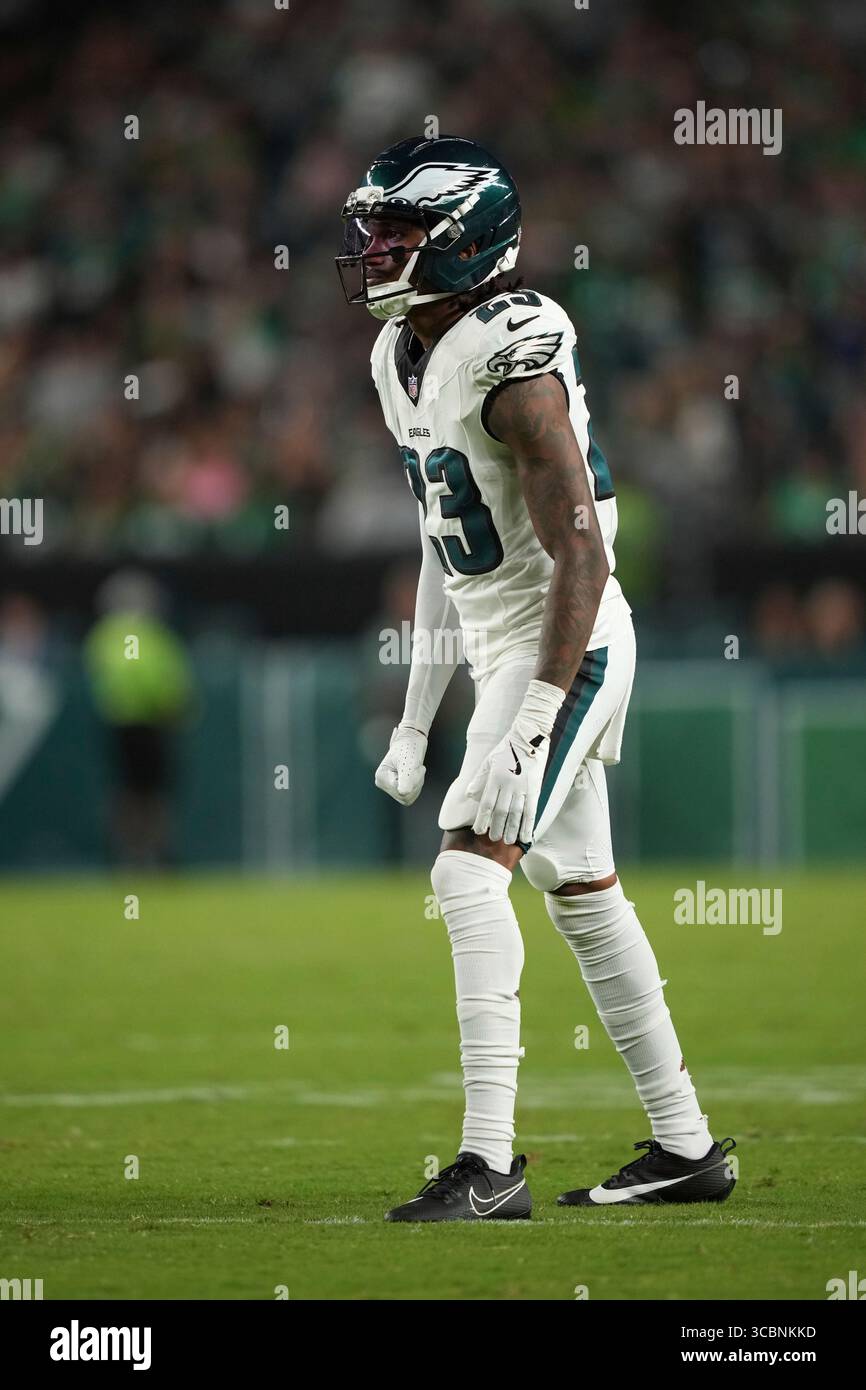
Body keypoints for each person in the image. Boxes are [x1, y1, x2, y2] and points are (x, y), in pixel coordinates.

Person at [337, 135, 735, 1220]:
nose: (374, 249)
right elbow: (438, 540)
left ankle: (488, 1164)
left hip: (572, 641)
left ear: (463, 239)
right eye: (370, 230)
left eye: (398, 231)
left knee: (466, 877)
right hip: (506, 645)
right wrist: (418, 719)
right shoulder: (399, 357)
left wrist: (529, 724)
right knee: (582, 896)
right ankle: (686, 1146)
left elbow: (582, 555)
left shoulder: (513, 352)